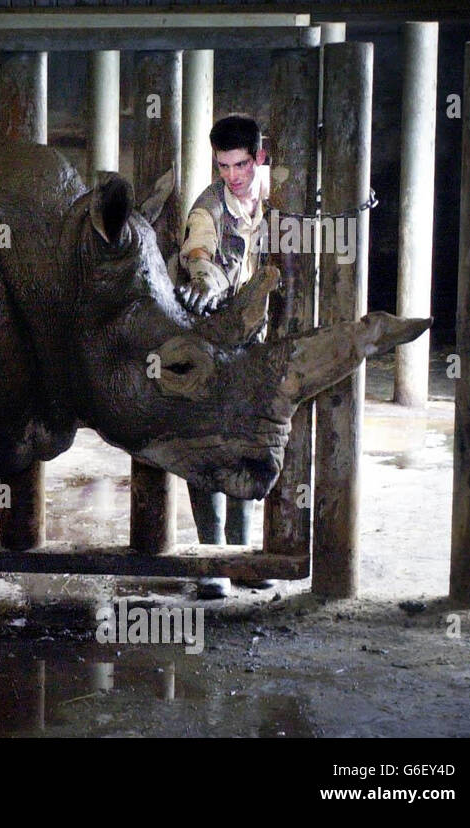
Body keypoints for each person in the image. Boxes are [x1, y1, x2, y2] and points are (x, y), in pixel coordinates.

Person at [174, 113, 276, 600]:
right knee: (210, 444)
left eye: (239, 164)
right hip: (218, 345)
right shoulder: (207, 208)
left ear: (258, 156)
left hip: (263, 345)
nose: (231, 175)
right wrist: (205, 278)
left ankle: (245, 555)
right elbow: (200, 254)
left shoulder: (281, 199)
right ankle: (211, 559)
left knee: (256, 446)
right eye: (222, 166)